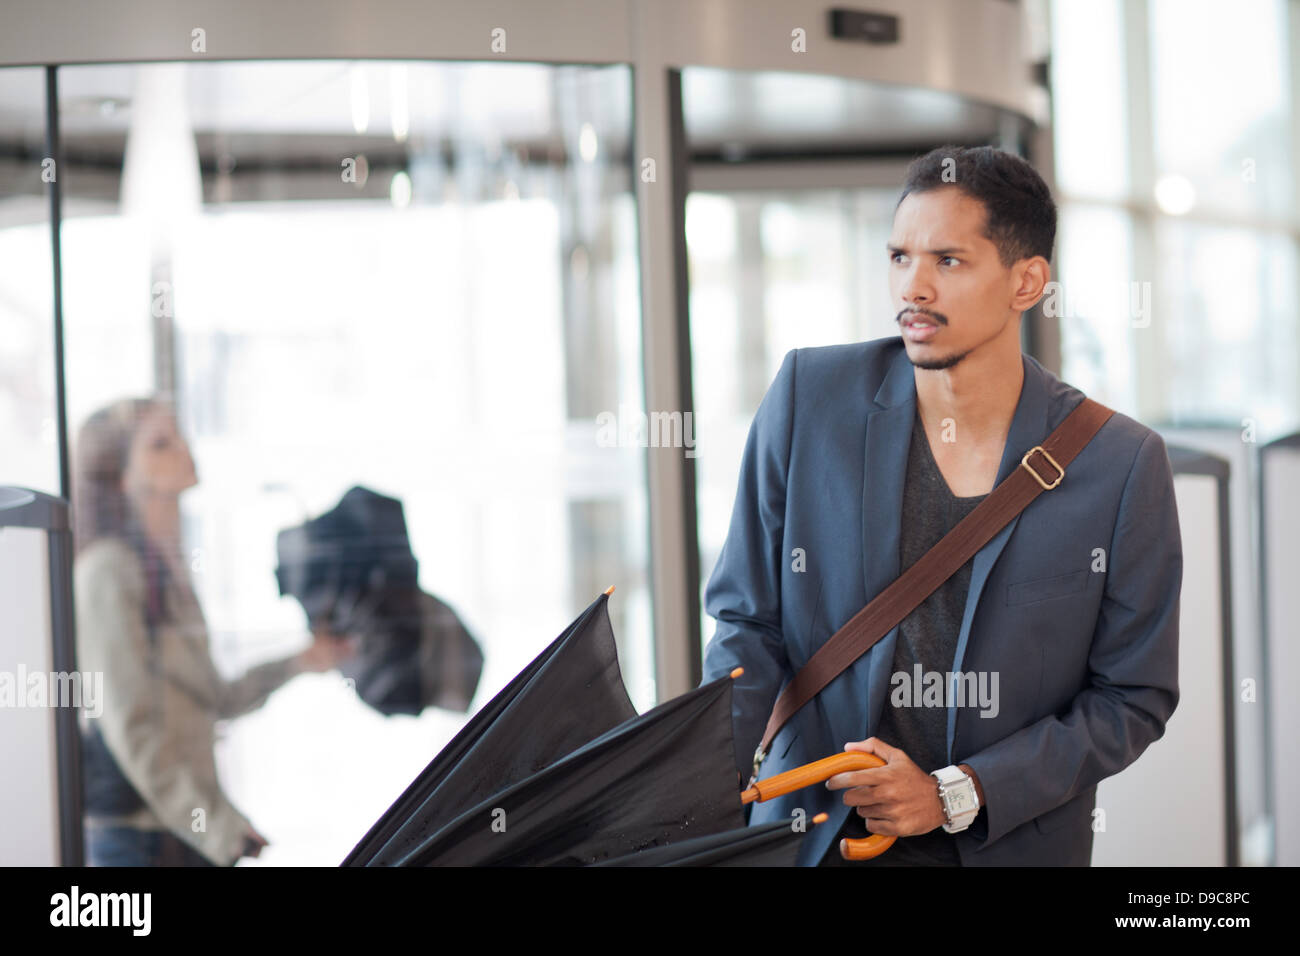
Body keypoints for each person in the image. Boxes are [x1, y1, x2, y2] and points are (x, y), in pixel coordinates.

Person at [700, 145, 1182, 866]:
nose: (913, 287)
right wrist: (700, 792)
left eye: (948, 262)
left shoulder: (1118, 463)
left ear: (1027, 282)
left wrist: (954, 794)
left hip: (1003, 845)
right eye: (899, 257)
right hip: (812, 838)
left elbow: (1131, 698)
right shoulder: (810, 399)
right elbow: (747, 621)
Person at [72, 396, 354, 866]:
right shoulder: (107, 571)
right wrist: (214, 823)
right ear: (121, 478)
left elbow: (213, 698)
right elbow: (130, 726)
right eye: (161, 444)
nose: (184, 448)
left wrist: (301, 662)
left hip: (181, 833)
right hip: (144, 841)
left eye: (179, 435)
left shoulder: (164, 568)